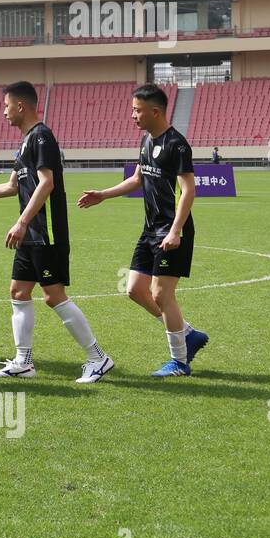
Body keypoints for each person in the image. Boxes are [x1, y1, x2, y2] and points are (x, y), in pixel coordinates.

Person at [0, 81, 113, 383]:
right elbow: (12, 186)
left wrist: (22, 222)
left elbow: (46, 183)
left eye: (6, 106)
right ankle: (23, 362)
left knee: (53, 295)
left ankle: (98, 358)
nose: (4, 112)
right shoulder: (25, 142)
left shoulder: (42, 137)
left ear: (21, 106)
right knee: (19, 292)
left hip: (45, 231)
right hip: (31, 234)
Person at [78, 83, 209, 376]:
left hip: (173, 231)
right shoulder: (146, 141)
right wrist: (104, 194)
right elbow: (137, 179)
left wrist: (175, 231)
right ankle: (188, 334)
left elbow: (188, 191)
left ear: (155, 111)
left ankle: (179, 361)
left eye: (137, 110)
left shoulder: (177, 144)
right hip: (149, 230)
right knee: (135, 290)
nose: (133, 116)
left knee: (161, 294)